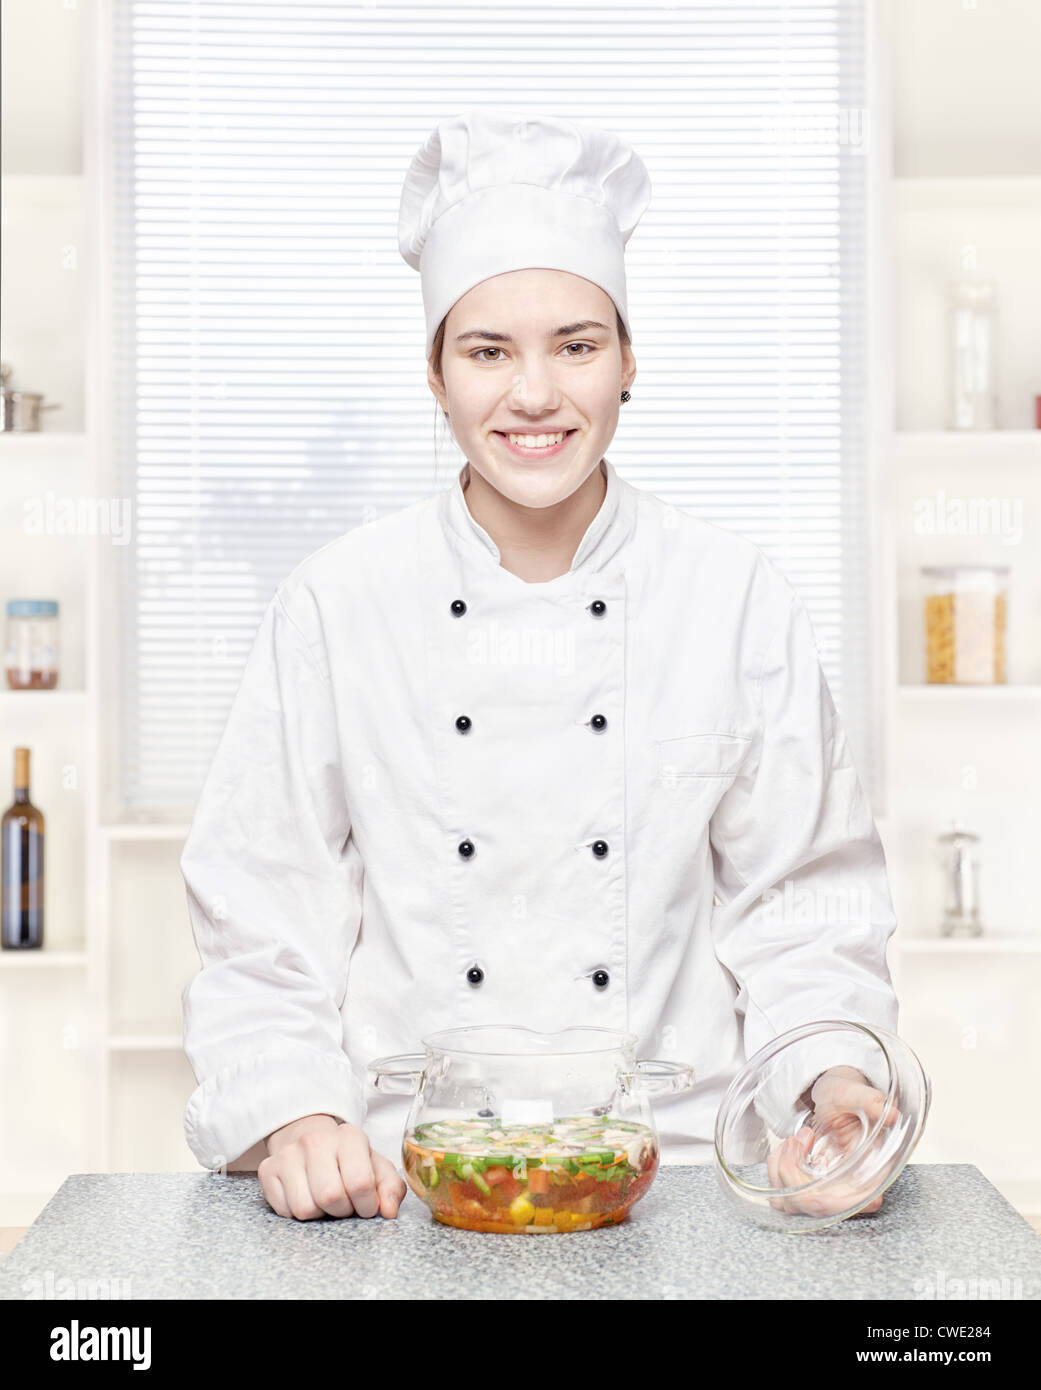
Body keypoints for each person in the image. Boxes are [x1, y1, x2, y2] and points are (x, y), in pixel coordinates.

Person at [179, 110, 900, 1223]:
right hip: (405, 1184)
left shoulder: (733, 597)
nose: (533, 395)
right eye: (487, 351)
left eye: (575, 344)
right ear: (435, 373)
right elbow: (262, 906)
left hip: (677, 1187)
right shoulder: (339, 602)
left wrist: (833, 1081)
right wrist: (293, 1114)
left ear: (627, 361)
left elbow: (802, 903)